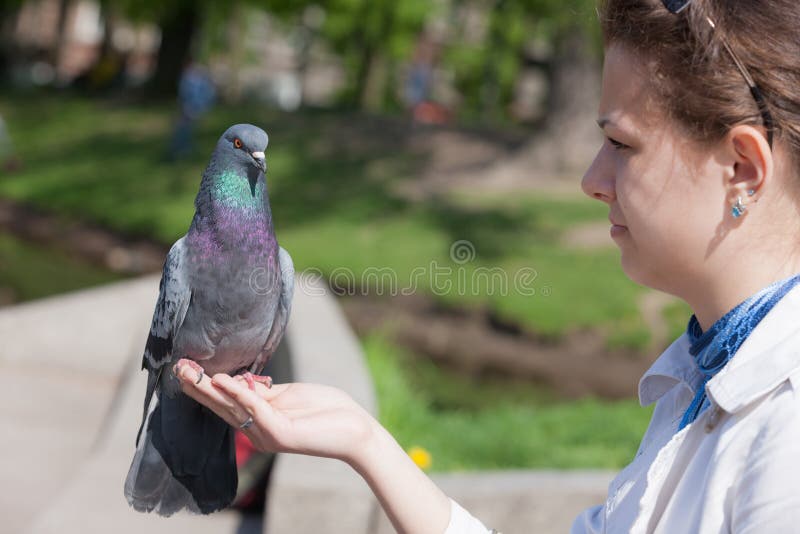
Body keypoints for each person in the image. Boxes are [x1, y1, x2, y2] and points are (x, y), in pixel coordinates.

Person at [173, 0, 800, 531]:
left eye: (620, 145)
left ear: (742, 170)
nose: (591, 180)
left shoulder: (785, 441)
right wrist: (364, 441)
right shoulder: (702, 373)